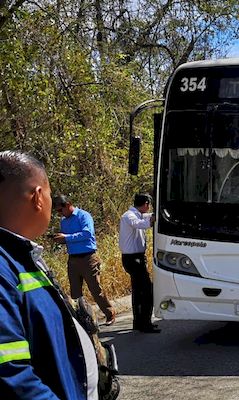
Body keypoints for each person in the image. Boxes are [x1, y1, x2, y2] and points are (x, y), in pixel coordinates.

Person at [0, 150, 99, 398]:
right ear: (38, 197)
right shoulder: (4, 265)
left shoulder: (18, 256)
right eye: (50, 194)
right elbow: (11, 375)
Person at [52, 195, 116, 325]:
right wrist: (60, 239)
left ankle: (110, 313)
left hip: (88, 258)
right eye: (57, 211)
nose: (59, 214)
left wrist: (67, 237)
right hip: (73, 259)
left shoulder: (83, 216)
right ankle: (81, 320)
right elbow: (68, 238)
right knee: (75, 293)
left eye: (60, 210)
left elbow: (87, 234)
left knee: (95, 289)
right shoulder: (64, 221)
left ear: (68, 205)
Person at [119, 194, 160, 333]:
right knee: (146, 291)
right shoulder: (129, 216)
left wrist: (154, 215)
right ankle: (145, 324)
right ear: (146, 203)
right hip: (133, 259)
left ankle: (138, 322)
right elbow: (140, 223)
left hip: (136, 258)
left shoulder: (138, 214)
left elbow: (147, 217)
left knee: (138, 291)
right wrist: (152, 220)